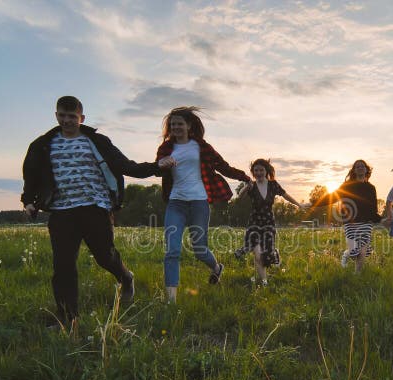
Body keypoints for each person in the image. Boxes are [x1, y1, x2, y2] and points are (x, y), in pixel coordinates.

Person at [21, 95, 169, 327]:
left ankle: (125, 277)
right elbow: (31, 174)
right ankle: (68, 319)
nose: (67, 120)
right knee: (63, 265)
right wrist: (28, 200)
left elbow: (123, 165)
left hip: (95, 207)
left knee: (104, 256)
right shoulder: (42, 144)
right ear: (56, 115)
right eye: (62, 115)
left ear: (82, 118)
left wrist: (154, 168)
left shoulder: (97, 141)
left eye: (72, 116)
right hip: (61, 211)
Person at [155, 106, 251, 303]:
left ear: (189, 125)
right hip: (176, 203)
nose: (176, 127)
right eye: (172, 124)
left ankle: (217, 268)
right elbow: (157, 167)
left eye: (179, 124)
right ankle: (171, 301)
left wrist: (244, 177)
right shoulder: (165, 148)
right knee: (172, 250)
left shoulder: (201, 146)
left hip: (199, 203)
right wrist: (161, 164)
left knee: (199, 249)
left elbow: (223, 166)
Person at [233, 159, 304, 286]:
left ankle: (273, 253)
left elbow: (285, 195)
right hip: (254, 223)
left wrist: (299, 204)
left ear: (266, 171)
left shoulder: (273, 185)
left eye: (261, 170)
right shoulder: (252, 186)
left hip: (268, 223)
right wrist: (246, 187)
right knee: (258, 255)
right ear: (253, 172)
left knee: (266, 255)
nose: (258, 172)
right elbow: (240, 197)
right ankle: (264, 283)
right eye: (256, 170)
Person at [316, 160, 381, 273]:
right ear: (354, 170)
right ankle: (346, 254)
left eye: (362, 166)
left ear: (366, 169)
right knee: (353, 252)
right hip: (350, 221)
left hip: (366, 222)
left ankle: (357, 275)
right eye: (357, 167)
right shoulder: (347, 186)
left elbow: (373, 206)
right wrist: (314, 204)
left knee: (362, 251)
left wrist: (380, 219)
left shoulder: (371, 188)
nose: (360, 168)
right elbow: (332, 196)